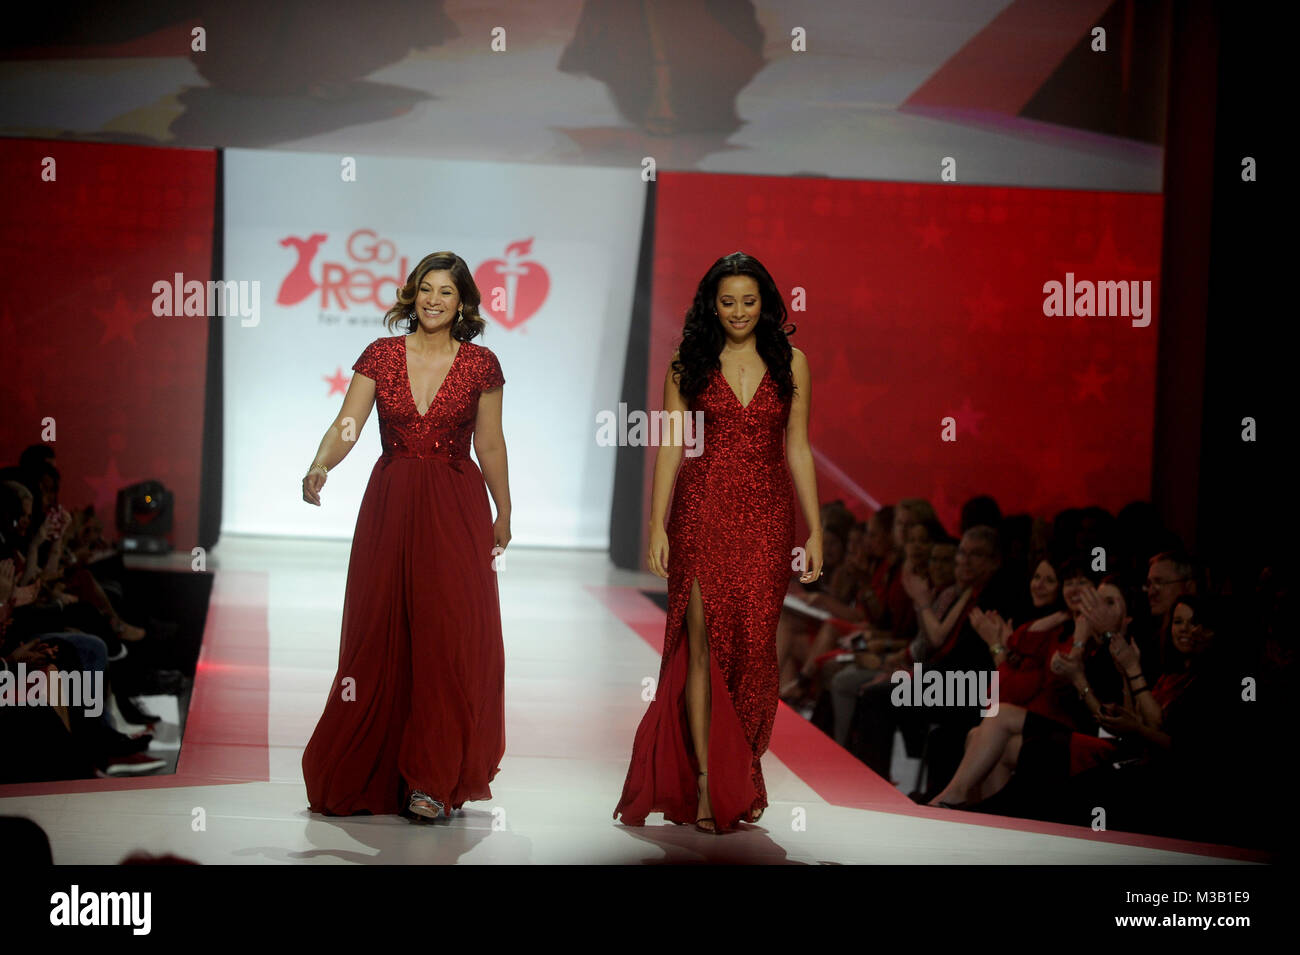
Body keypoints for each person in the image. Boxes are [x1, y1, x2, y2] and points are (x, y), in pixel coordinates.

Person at [613, 252, 823, 833]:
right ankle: (707, 780)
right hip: (701, 511)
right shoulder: (688, 364)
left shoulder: (792, 363)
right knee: (702, 648)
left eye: (749, 301)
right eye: (727, 301)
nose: (738, 311)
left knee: (753, 648)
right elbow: (672, 448)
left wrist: (817, 528)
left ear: (766, 304)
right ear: (712, 304)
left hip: (767, 518)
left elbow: (798, 447)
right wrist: (656, 525)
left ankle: (743, 766)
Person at [300, 251, 511, 820]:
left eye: (445, 291)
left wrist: (505, 508)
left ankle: (432, 780)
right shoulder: (381, 354)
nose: (433, 300)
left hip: (455, 507)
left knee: (446, 639)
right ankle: (373, 766)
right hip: (390, 505)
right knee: (381, 632)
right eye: (425, 289)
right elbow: (349, 423)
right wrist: (322, 463)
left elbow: (490, 444)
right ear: (411, 295)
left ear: (462, 301)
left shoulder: (482, 364)